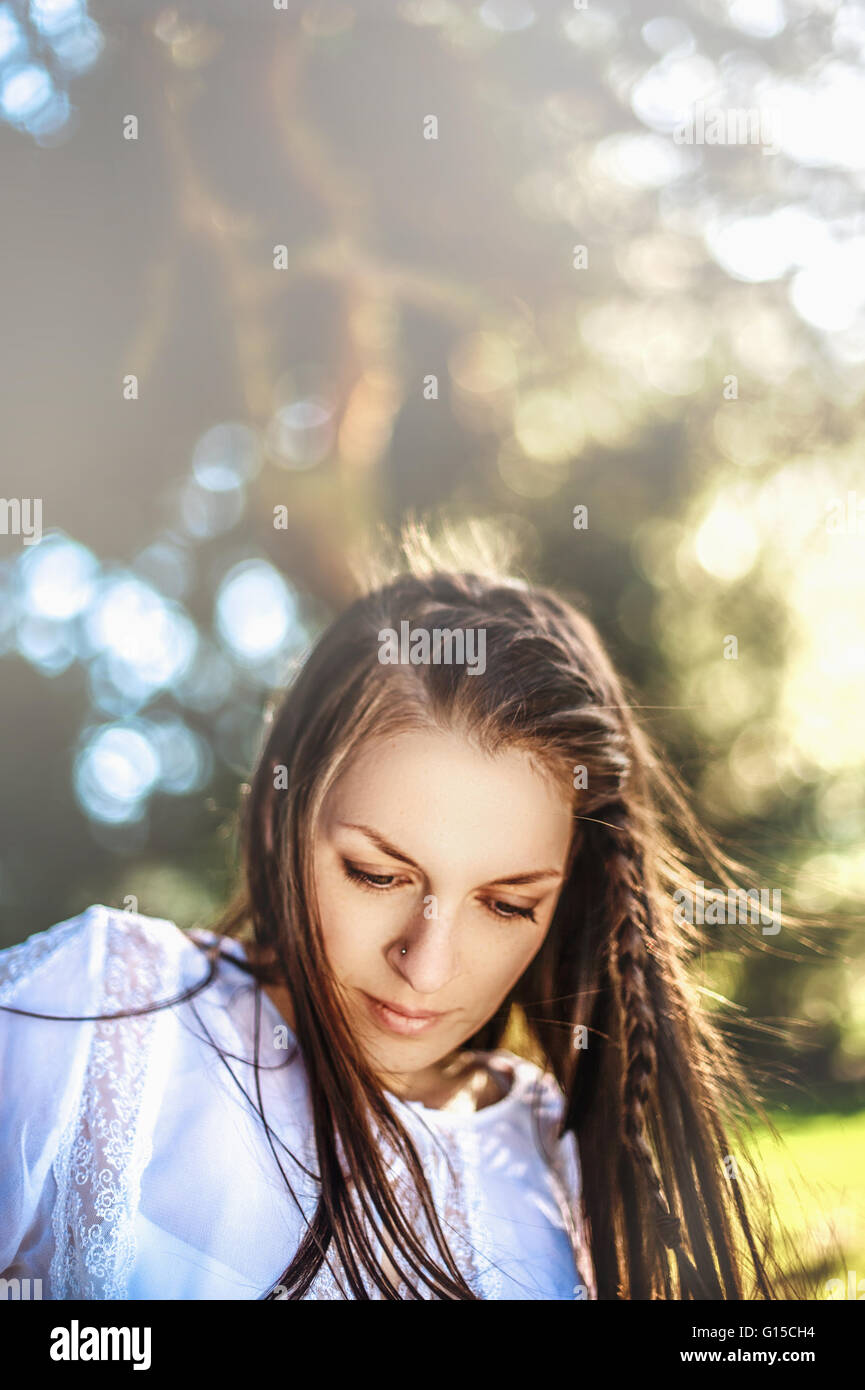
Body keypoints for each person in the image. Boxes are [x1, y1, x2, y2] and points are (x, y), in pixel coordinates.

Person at [0, 524, 799, 1299]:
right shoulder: (101, 1012)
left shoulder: (553, 1155)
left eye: (507, 904)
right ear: (278, 818)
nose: (427, 966)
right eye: (376, 875)